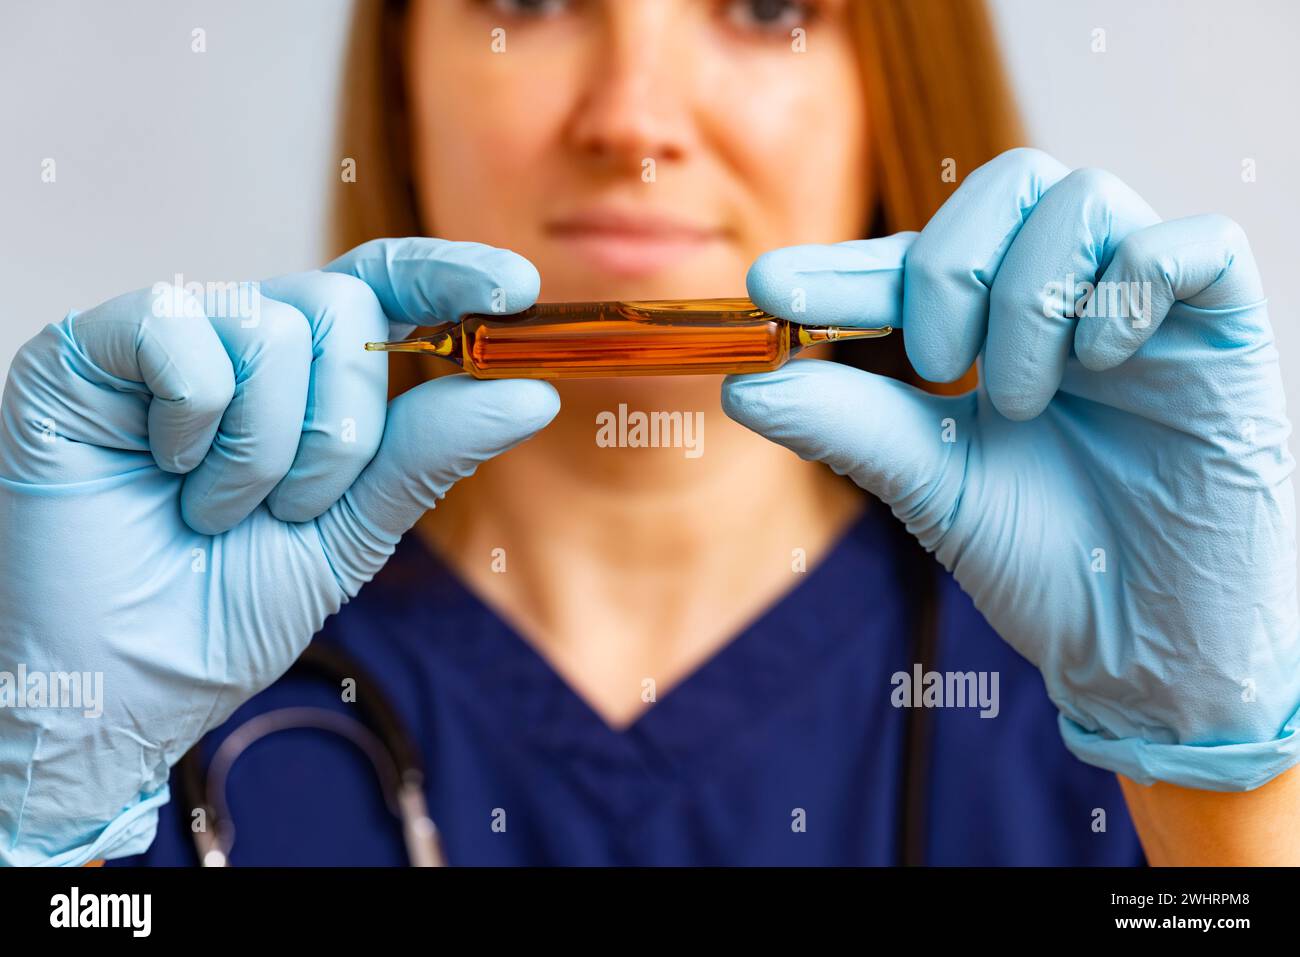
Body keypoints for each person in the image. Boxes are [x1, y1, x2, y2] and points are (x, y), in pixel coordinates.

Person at [1, 0, 1297, 867]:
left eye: (767, 5)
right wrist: (35, 824)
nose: (631, 117)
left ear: (894, 81)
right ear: (401, 72)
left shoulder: (1101, 698)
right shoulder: (154, 675)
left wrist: (1229, 802)